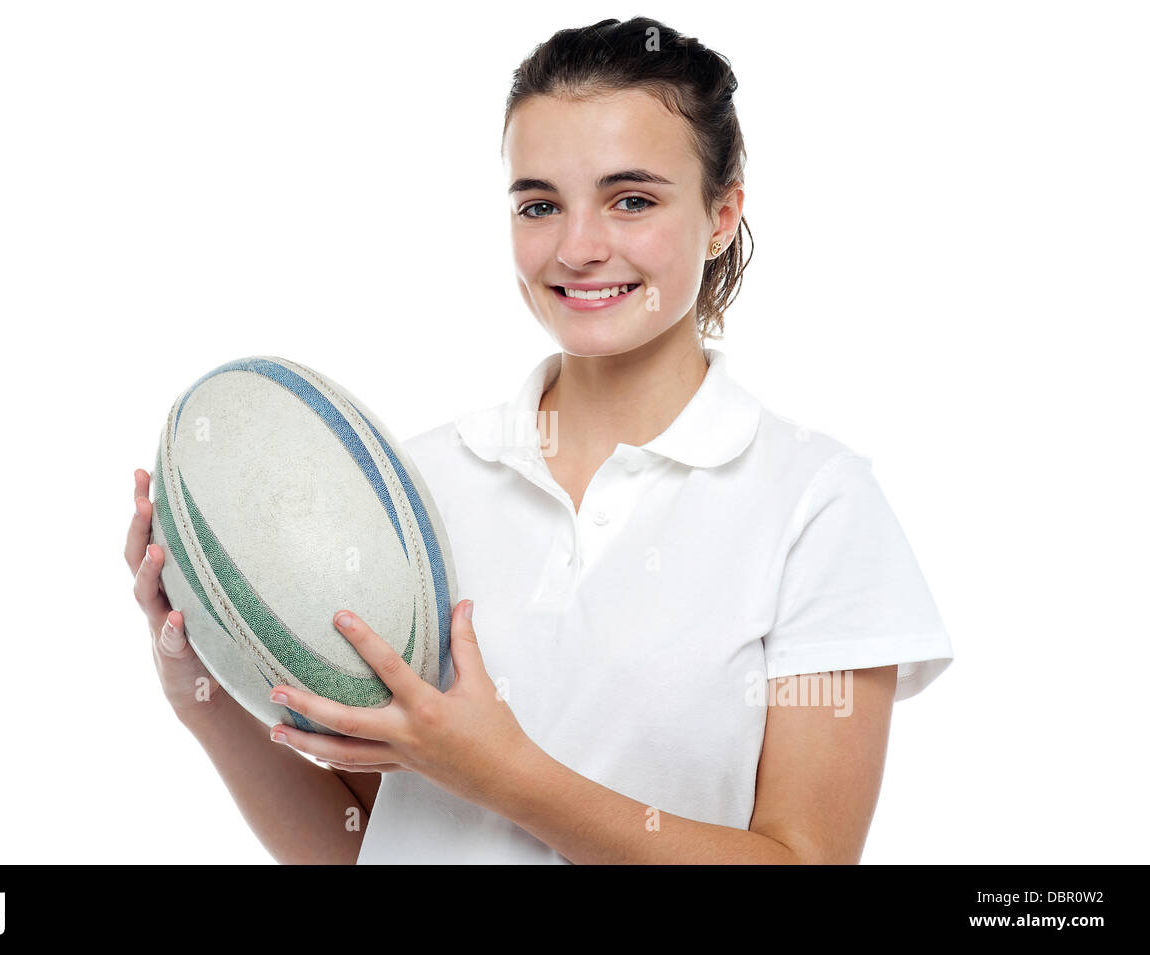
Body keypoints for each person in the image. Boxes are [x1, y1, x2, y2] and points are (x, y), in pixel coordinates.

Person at [125, 17, 953, 864]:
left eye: (632, 200)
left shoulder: (814, 503)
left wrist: (504, 774)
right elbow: (362, 847)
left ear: (721, 212)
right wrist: (202, 690)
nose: (578, 248)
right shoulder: (414, 493)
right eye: (540, 204)